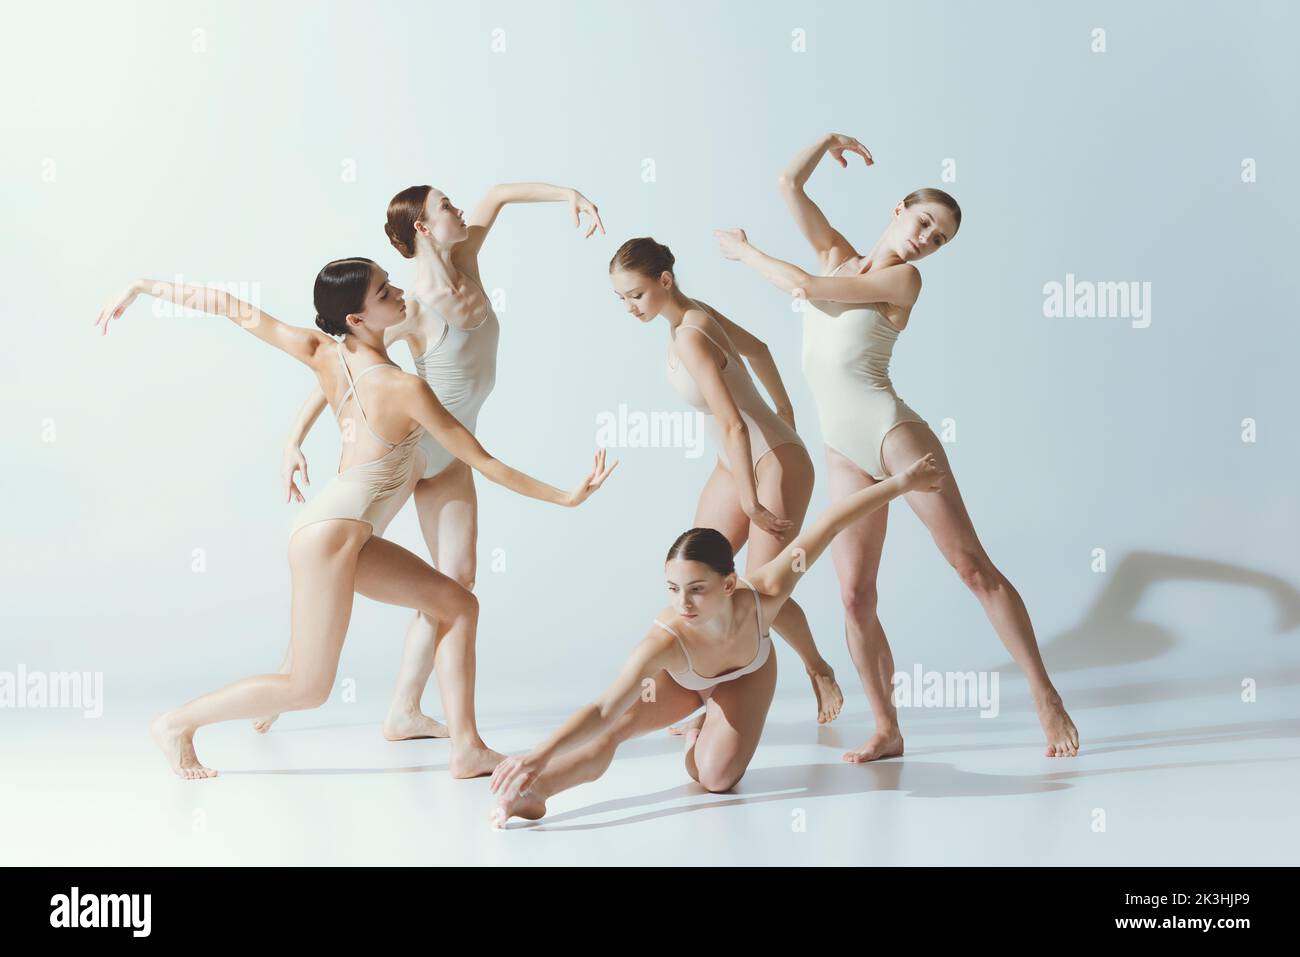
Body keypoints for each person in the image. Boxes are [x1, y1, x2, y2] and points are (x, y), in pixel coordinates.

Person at [95, 258, 615, 779]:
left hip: (344, 534)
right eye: (385, 292)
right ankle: (177, 724)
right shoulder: (402, 388)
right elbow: (482, 460)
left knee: (458, 606)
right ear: (357, 320)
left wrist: (144, 285)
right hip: (330, 537)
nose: (399, 295)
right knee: (308, 687)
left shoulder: (322, 352)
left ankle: (468, 749)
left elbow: (233, 308)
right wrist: (564, 497)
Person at [714, 131, 1079, 759]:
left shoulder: (903, 282)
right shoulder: (839, 255)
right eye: (924, 222)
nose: (926, 239)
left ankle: (1046, 695)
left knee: (972, 568)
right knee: (854, 596)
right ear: (898, 210)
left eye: (939, 239)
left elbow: (804, 286)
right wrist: (825, 140)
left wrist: (745, 253)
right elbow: (787, 186)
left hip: (891, 435)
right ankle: (886, 727)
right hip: (840, 448)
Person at [263, 182, 605, 740]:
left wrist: (571, 195)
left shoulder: (465, 258)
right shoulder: (410, 306)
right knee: (343, 557)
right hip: (415, 453)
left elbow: (498, 196)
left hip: (456, 452)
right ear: (423, 227)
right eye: (447, 206)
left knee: (457, 581)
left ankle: (404, 709)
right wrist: (293, 440)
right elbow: (345, 369)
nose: (461, 209)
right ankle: (288, 677)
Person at [489, 453, 946, 827]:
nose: (683, 602)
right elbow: (603, 708)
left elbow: (828, 524)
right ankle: (537, 793)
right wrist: (537, 757)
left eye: (697, 589)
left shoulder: (764, 593)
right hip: (684, 678)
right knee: (617, 729)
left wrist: (903, 482)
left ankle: (707, 726)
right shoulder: (664, 640)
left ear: (729, 584)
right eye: (673, 589)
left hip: (746, 673)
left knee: (716, 778)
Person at [608, 237, 843, 726]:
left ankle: (818, 669)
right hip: (731, 464)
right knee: (695, 576)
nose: (629, 307)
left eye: (635, 294)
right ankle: (698, 685)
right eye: (621, 298)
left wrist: (754, 500)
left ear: (664, 281)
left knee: (758, 594)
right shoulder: (689, 317)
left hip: (774, 464)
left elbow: (735, 422)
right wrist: (782, 408)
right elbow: (758, 349)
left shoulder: (690, 335)